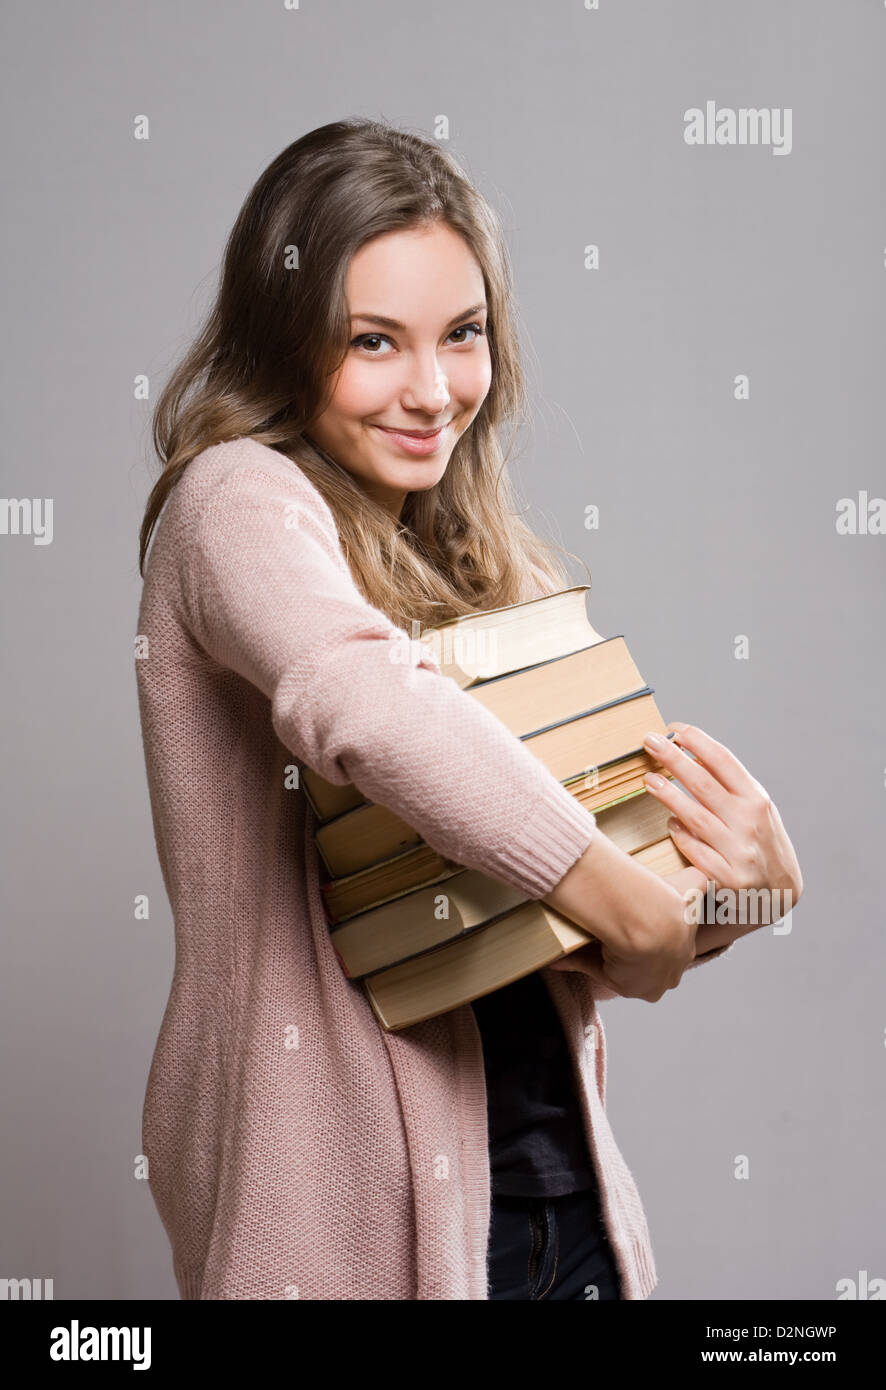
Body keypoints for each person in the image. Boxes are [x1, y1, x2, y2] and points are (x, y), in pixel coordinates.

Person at [135, 117, 803, 1301]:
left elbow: (590, 941)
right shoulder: (232, 503)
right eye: (374, 342)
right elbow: (357, 704)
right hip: (339, 1238)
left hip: (559, 1214)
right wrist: (620, 900)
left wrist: (751, 893)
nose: (433, 391)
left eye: (463, 336)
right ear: (285, 340)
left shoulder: (470, 559)